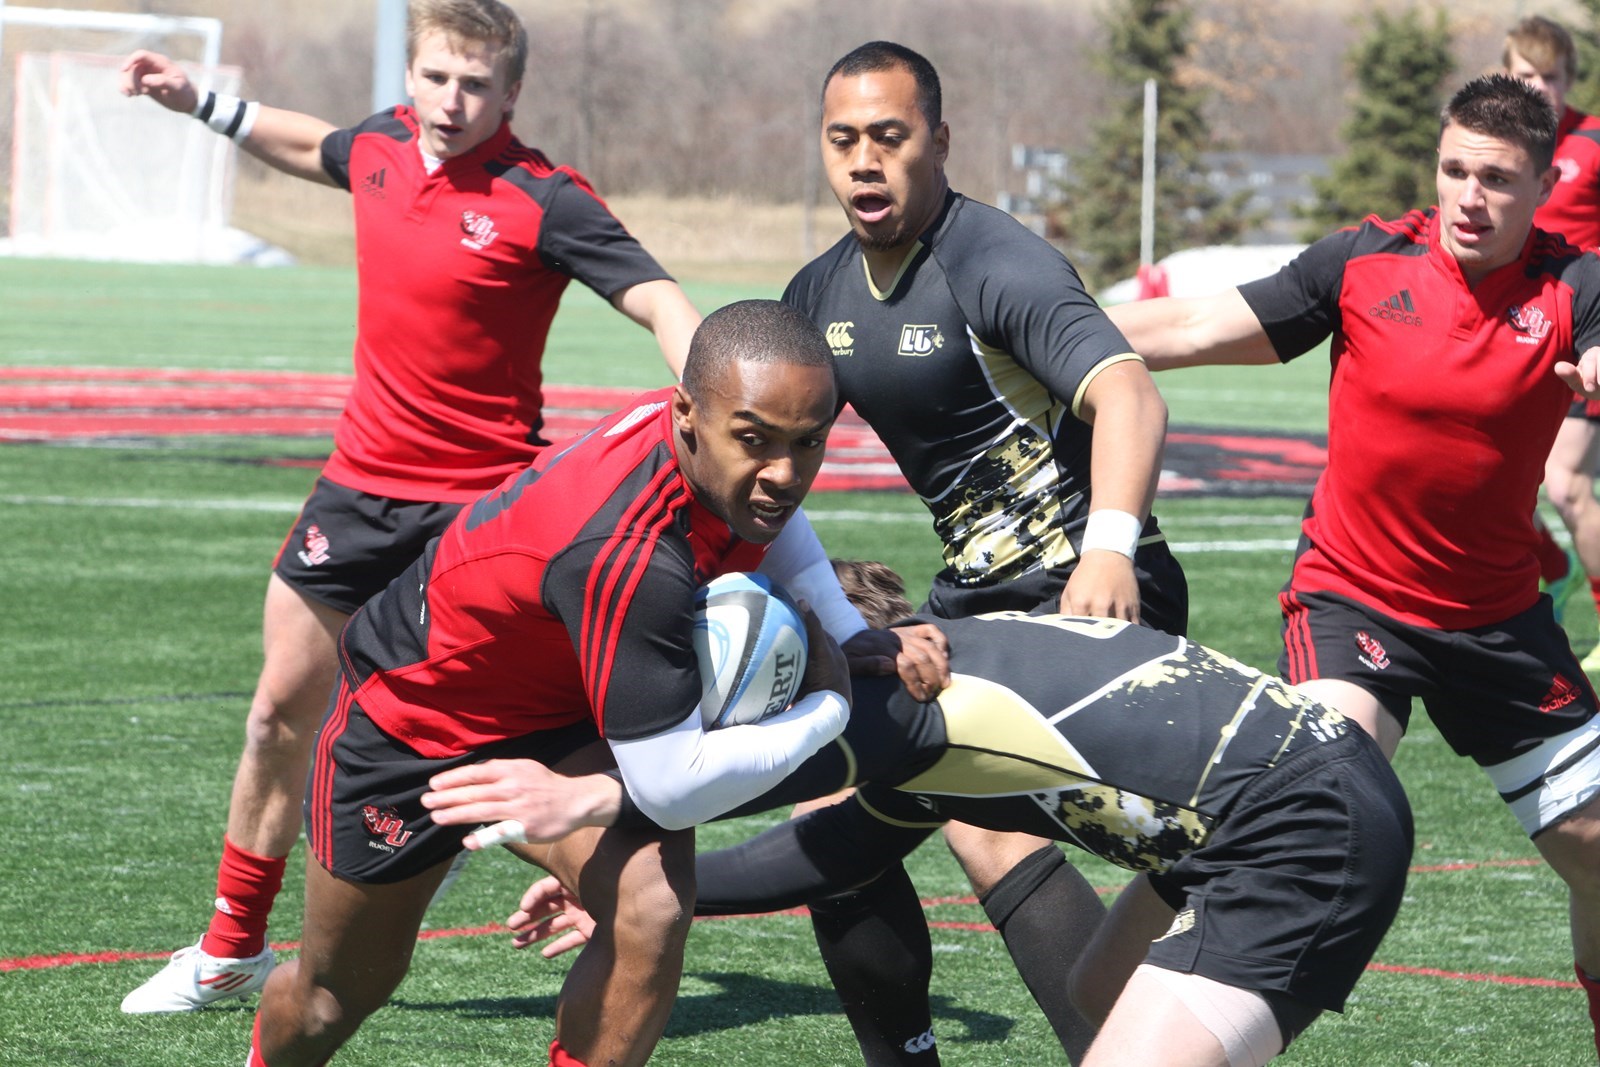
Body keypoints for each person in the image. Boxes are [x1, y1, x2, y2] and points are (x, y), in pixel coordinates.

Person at [113, 0, 709, 1014]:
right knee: (274, 714)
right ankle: (229, 945)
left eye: (476, 84)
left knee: (492, 735)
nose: (452, 100)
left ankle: (602, 896)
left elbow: (653, 294)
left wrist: (712, 387)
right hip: (355, 493)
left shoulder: (543, 198)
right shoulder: (384, 147)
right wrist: (196, 102)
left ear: (510, 93)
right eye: (437, 77)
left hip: (478, 519)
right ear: (414, 75)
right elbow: (312, 143)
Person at [243, 298, 915, 1067]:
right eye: (756, 440)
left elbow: (775, 511)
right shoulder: (628, 553)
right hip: (414, 724)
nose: (786, 472)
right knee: (335, 995)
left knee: (649, 907)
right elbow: (671, 786)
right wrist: (830, 703)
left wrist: (847, 624)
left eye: (809, 442)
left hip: (566, 706)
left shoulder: (708, 444)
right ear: (687, 413)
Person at [441, 559, 1412, 1067]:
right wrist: (658, 896)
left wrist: (590, 795)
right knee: (1096, 991)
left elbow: (731, 782)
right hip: (1250, 811)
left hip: (1299, 830)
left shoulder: (910, 702)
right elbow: (823, 853)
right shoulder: (922, 698)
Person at [1105, 74, 1600, 1054]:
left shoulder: (1574, 284)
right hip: (1352, 599)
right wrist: (1022, 333)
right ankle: (1116, 988)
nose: (1468, 195)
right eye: (1454, 169)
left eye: (1496, 179)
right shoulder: (1365, 262)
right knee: (1315, 805)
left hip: (1497, 617)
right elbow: (1194, 327)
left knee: (1595, 856)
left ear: (1544, 181)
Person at [768, 40, 1188, 1064]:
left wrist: (1108, 550)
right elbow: (760, 455)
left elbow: (1129, 394)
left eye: (890, 137)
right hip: (975, 599)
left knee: (978, 813)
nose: (865, 160)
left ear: (939, 142)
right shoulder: (818, 293)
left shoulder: (995, 260)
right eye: (843, 140)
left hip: (1093, 589)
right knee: (839, 778)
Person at [1503, 15, 1600, 667]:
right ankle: (1553, 565)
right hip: (1513, 337)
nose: (1538, 88)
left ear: (1570, 82)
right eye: (1525, 75)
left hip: (1587, 335)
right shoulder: (1494, 144)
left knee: (1566, 484)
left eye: (1552, 77)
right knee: (1479, 471)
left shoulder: (1593, 143)